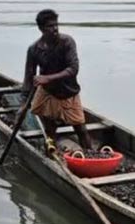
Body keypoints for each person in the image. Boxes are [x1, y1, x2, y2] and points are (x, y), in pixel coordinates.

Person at [22, 8, 95, 153]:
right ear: (41, 28)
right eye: (50, 26)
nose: (55, 29)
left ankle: (90, 155)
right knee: (49, 128)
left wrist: (47, 78)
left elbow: (73, 69)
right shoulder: (34, 49)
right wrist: (23, 105)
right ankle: (51, 152)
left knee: (80, 128)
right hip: (48, 92)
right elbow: (28, 78)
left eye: (56, 25)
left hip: (68, 91)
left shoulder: (67, 42)